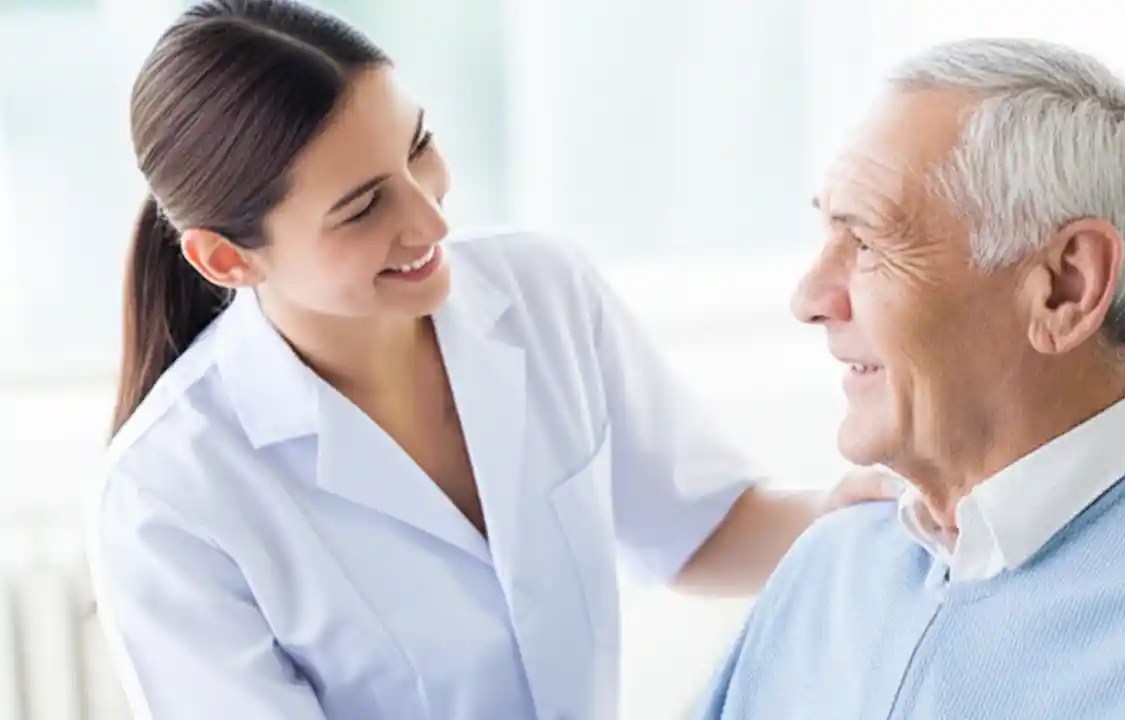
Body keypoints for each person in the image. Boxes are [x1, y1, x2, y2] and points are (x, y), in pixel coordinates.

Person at [85, 2, 897, 719]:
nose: (430, 218)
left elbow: (699, 528)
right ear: (227, 261)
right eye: (364, 206)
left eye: (420, 147)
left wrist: (854, 515)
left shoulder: (540, 291)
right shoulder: (168, 497)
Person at [697, 38, 1125, 719]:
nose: (810, 298)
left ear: (1067, 287)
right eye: (826, 234)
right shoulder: (834, 563)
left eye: (867, 242)